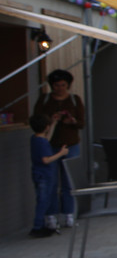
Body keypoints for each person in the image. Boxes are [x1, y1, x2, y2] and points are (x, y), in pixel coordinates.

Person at [32, 68, 84, 228]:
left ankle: (68, 213)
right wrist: (52, 119)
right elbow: (36, 120)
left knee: (69, 181)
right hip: (50, 145)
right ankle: (51, 215)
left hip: (71, 144)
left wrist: (72, 121)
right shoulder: (45, 100)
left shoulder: (75, 100)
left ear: (68, 85)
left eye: (63, 85)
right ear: (51, 86)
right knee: (51, 182)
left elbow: (82, 123)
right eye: (56, 85)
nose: (60, 88)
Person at [28, 113, 68, 238]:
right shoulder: (42, 142)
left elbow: (47, 139)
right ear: (46, 127)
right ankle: (37, 226)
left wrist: (54, 124)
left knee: (43, 199)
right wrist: (61, 153)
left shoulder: (35, 139)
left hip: (39, 174)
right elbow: (46, 159)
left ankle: (41, 225)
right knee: (43, 201)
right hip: (44, 174)